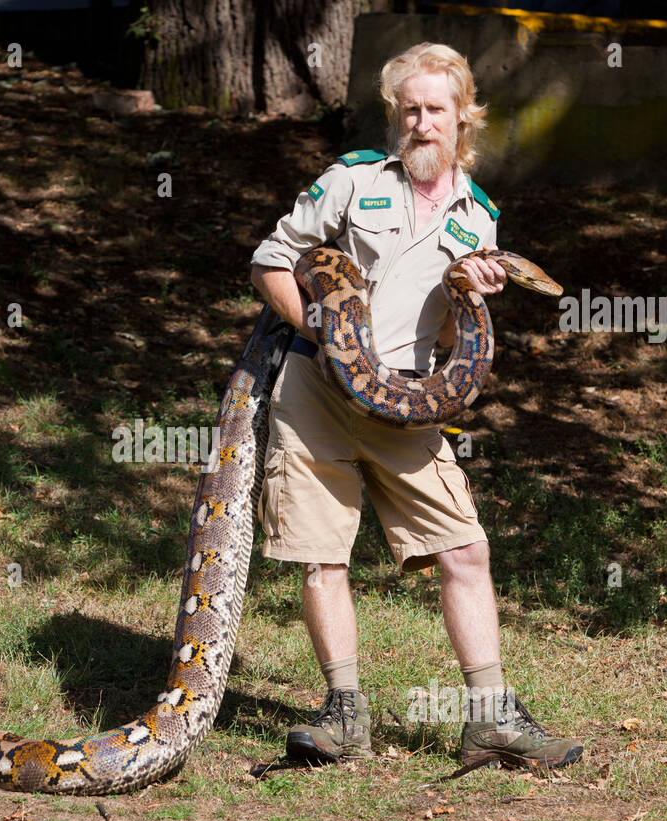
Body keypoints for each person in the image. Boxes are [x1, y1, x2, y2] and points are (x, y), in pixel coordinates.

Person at [249, 42, 582, 770]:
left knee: (465, 549)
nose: (422, 123)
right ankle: (343, 718)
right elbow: (272, 260)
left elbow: (449, 324)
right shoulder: (352, 180)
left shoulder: (479, 218)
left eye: (436, 111)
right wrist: (327, 336)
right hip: (316, 387)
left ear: (464, 120)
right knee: (320, 554)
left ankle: (491, 718)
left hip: (409, 401)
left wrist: (473, 287)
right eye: (411, 110)